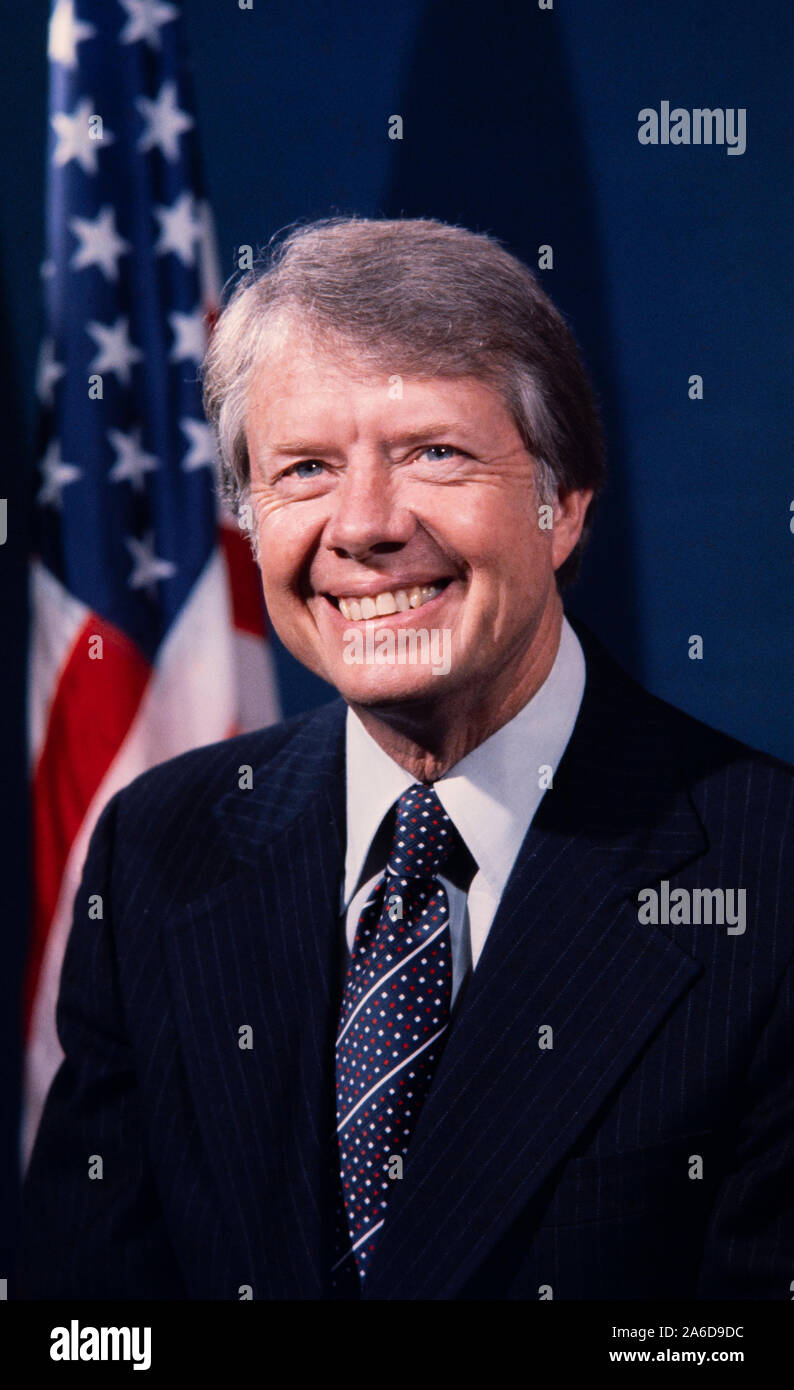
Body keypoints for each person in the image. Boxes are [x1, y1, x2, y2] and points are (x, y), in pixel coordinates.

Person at [20, 218, 794, 1300]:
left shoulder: (767, 878)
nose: (364, 526)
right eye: (303, 469)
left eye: (433, 452)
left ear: (560, 503)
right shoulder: (159, 850)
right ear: (247, 519)